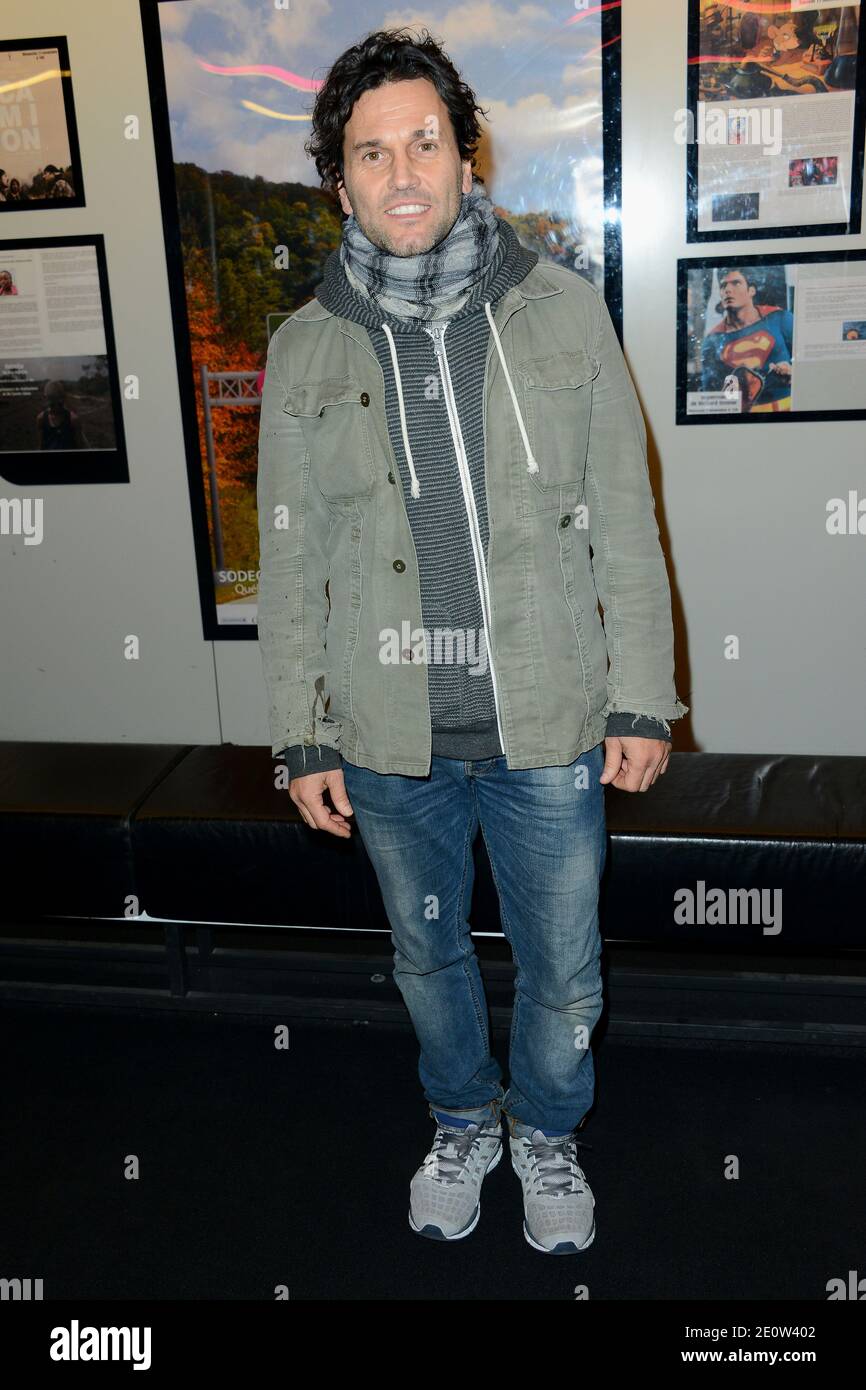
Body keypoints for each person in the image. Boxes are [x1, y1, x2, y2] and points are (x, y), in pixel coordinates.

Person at [256, 29, 688, 1255]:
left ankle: (545, 1132)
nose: (401, 173)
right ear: (339, 180)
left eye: (423, 142)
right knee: (427, 959)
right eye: (369, 151)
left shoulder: (561, 313)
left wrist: (641, 700)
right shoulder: (301, 350)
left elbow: (623, 518)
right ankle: (462, 1120)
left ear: (464, 152)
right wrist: (300, 732)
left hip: (548, 724)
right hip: (390, 739)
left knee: (562, 972)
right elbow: (289, 563)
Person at [701, 267, 793, 413]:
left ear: (751, 291)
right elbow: (708, 397)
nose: (728, 290)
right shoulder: (713, 340)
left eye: (736, 283)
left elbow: (810, 363)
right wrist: (728, 394)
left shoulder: (780, 318)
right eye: (724, 286)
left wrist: (793, 371)